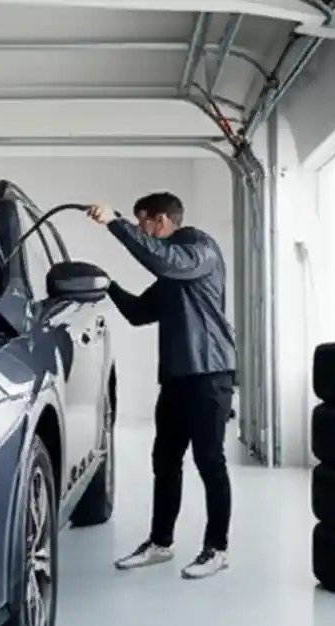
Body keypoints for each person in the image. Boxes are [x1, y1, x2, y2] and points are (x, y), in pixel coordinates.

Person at [86, 192, 236, 580]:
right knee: (165, 461)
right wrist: (107, 284)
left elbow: (163, 259)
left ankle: (216, 549)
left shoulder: (198, 249)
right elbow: (139, 313)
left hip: (209, 374)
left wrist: (115, 223)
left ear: (160, 221)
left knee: (210, 461)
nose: (141, 232)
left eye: (142, 224)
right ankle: (160, 543)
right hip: (176, 379)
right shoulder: (172, 276)